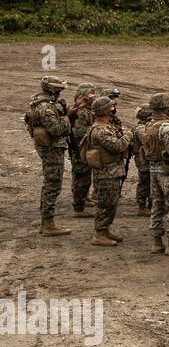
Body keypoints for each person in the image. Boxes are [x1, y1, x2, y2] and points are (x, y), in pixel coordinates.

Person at [24, 75, 72, 235]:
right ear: (53, 90)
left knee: (50, 184)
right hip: (51, 149)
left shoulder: (39, 102)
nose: (60, 93)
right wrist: (67, 117)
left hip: (48, 147)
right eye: (59, 90)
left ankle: (47, 222)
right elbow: (57, 130)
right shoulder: (45, 107)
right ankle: (48, 224)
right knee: (52, 184)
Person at [83, 96, 132, 246]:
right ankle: (99, 233)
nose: (113, 109)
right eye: (110, 107)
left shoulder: (106, 127)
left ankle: (105, 230)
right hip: (106, 173)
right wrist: (128, 135)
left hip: (112, 171)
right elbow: (118, 146)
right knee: (105, 204)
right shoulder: (100, 130)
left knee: (111, 203)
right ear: (105, 111)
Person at [142, 93, 169, 254]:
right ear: (167, 107)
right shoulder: (166, 127)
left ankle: (157, 241)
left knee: (157, 204)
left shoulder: (149, 124)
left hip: (154, 169)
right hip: (167, 172)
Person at [68, 83, 99, 214]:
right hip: (80, 150)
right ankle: (79, 207)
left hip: (83, 149)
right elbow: (79, 134)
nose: (94, 96)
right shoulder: (81, 112)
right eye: (91, 94)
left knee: (85, 176)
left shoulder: (85, 111)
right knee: (81, 177)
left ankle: (83, 198)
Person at [130, 105, 152, 215]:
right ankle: (142, 206)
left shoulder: (143, 126)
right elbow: (146, 140)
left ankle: (148, 204)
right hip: (143, 159)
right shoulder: (140, 128)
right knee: (145, 181)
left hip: (145, 158)